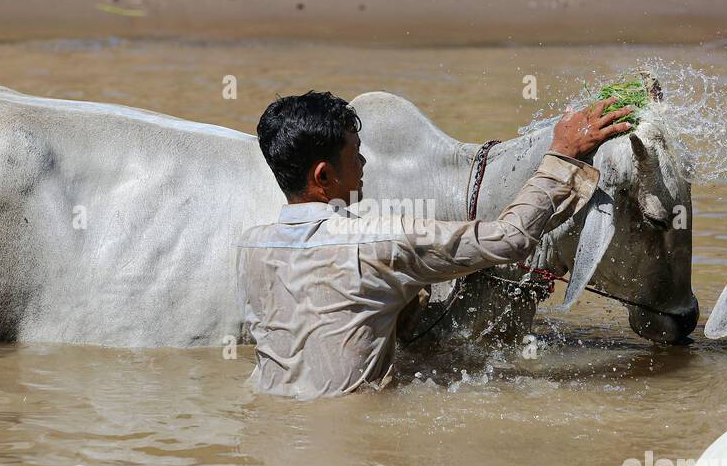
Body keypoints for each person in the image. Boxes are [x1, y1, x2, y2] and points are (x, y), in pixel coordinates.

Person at [237, 91, 632, 398]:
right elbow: (510, 239)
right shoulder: (380, 240)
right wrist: (562, 156)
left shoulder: (251, 247)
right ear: (323, 176)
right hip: (350, 435)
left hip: (272, 421)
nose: (363, 166)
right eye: (355, 155)